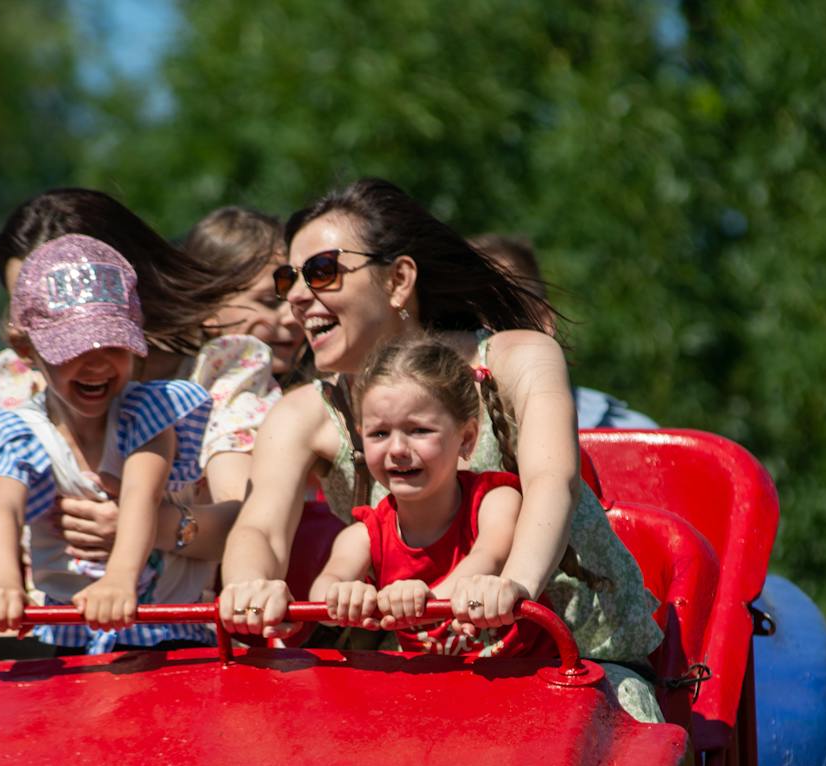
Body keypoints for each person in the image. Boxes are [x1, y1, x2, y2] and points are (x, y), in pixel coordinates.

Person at [218, 178, 662, 719]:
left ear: (399, 279)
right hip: (413, 670)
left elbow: (552, 482)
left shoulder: (517, 358)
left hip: (571, 660)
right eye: (289, 277)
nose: (294, 297)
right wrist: (248, 590)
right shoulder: (301, 413)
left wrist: (510, 589)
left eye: (322, 271)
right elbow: (260, 526)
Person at [0, 189, 279, 611]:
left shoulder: (213, 374)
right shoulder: (7, 389)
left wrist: (146, 527)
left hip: (179, 627)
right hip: (45, 636)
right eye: (27, 306)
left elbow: (248, 520)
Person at [0, 236, 214, 652]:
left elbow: (141, 495)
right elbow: (4, 510)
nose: (96, 362)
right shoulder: (21, 431)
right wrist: (4, 585)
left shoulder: (146, 416)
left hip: (162, 630)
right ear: (28, 350)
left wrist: (120, 578)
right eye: (74, 348)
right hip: (67, 631)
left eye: (113, 345)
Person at [310, 338, 551, 659]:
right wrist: (344, 597)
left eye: (419, 430)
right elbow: (324, 589)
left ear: (465, 439)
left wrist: (425, 601)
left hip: (527, 675)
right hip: (436, 689)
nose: (396, 449)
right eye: (379, 434)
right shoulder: (364, 534)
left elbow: (489, 556)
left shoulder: (495, 500)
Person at [468, 233, 656, 429]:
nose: (484, 334)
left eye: (500, 312)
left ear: (543, 321)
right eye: (463, 321)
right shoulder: (441, 443)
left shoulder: (632, 435)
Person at [181, 206, 305, 501]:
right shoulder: (236, 398)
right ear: (208, 309)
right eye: (269, 301)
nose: (292, 316)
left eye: (297, 298)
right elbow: (241, 512)